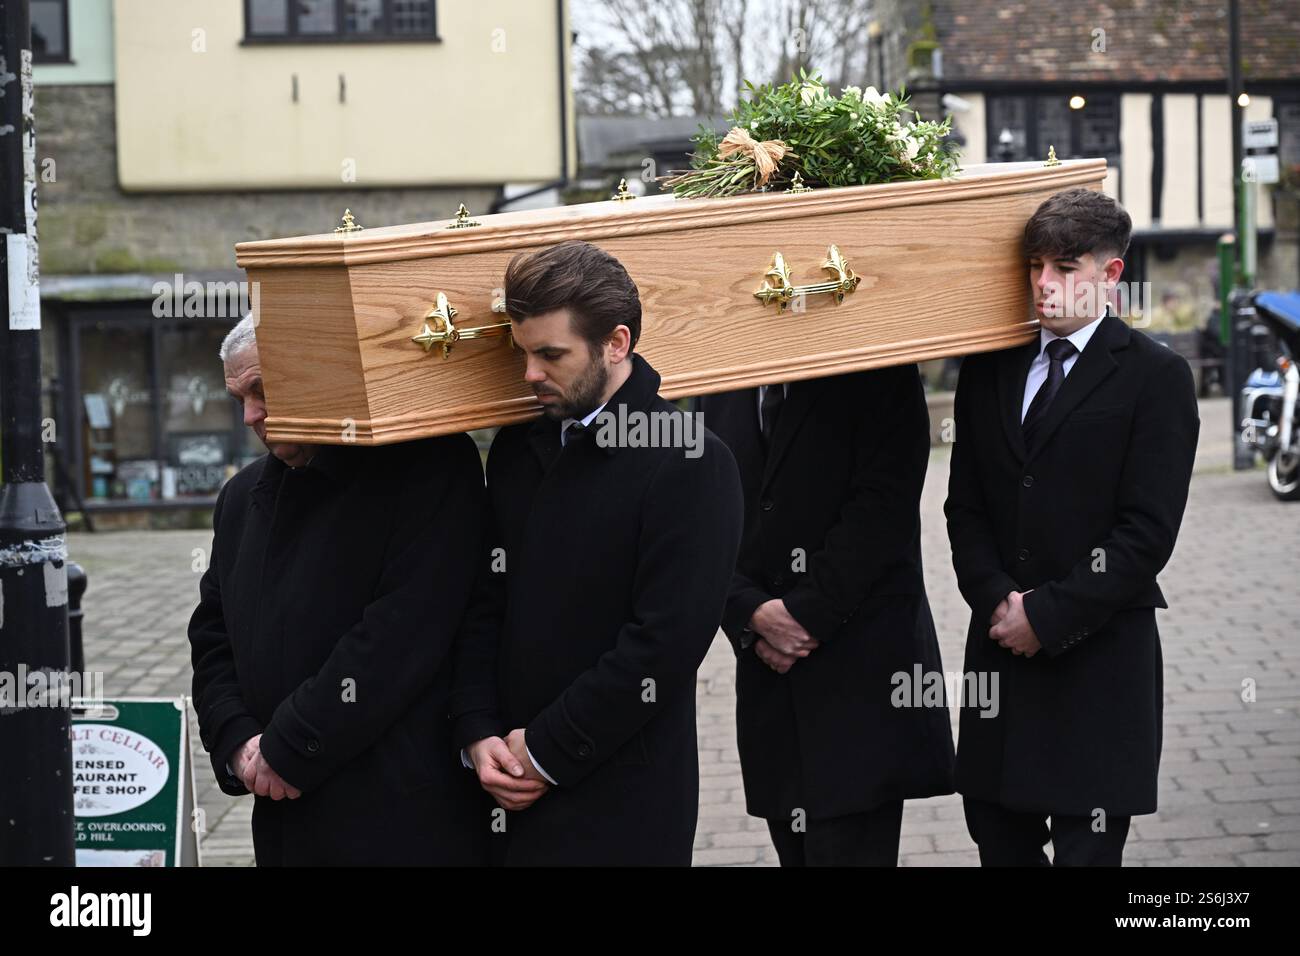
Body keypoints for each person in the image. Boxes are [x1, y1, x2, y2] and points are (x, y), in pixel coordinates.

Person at [452, 240, 744, 865]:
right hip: (502, 783)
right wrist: (476, 730)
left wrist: (548, 751)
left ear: (616, 344)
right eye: (522, 353)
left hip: (623, 796)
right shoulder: (514, 452)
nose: (530, 373)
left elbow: (664, 644)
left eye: (550, 354)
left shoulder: (690, 458)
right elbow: (482, 602)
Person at [945, 188, 1200, 866]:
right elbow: (963, 505)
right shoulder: (989, 368)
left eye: (1064, 269)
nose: (1043, 285)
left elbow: (1146, 533)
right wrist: (998, 599)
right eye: (1034, 267)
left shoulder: (1158, 377)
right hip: (1000, 659)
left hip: (1098, 668)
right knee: (999, 848)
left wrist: (1049, 616)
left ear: (1110, 275)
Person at [188, 314, 489, 865]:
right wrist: (237, 742)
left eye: (263, 391)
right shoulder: (241, 497)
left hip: (398, 815)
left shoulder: (427, 468)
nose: (251, 415)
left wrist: (289, 746)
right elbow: (212, 635)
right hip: (283, 809)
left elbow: (398, 635)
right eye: (240, 399)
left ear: (318, 375)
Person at [699, 365, 956, 866]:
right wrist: (748, 611)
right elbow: (706, 512)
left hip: (860, 675)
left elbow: (885, 503)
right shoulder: (723, 373)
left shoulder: (877, 364)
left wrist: (805, 614)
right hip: (770, 682)